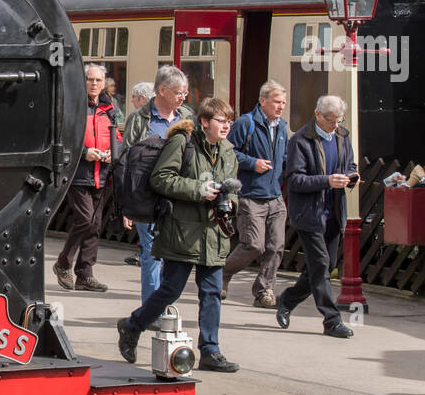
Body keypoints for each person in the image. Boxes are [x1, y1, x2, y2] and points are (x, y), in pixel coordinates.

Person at [116, 97, 240, 372]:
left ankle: (210, 350)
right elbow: (161, 178)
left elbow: (232, 189)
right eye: (221, 121)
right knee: (171, 289)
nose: (227, 126)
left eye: (230, 121)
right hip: (182, 229)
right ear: (205, 122)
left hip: (213, 232)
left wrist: (231, 203)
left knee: (211, 293)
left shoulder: (228, 151)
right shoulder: (182, 142)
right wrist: (198, 189)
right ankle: (132, 325)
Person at [275, 95, 357, 339]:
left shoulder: (343, 136)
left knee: (324, 266)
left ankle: (287, 300)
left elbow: (349, 164)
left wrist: (352, 177)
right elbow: (295, 179)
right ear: (318, 115)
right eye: (331, 120)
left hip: (334, 212)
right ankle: (332, 320)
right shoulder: (301, 140)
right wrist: (327, 181)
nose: (335, 125)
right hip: (309, 214)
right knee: (321, 265)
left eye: (339, 120)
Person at [121, 66, 193, 303]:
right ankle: (152, 309)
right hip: (148, 196)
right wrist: (127, 205)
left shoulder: (187, 117)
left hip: (179, 195)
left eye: (185, 93)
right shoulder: (139, 119)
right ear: (162, 90)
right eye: (178, 92)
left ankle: (162, 304)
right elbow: (126, 162)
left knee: (174, 255)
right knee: (152, 255)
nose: (183, 97)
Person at [53, 63, 123, 292]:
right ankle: (63, 263)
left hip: (101, 174)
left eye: (98, 80)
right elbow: (62, 136)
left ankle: (84, 273)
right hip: (78, 173)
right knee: (85, 218)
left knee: (94, 225)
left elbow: (118, 135)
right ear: (83, 82)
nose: (94, 84)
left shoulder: (111, 107)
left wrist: (114, 149)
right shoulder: (73, 104)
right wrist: (84, 153)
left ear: (104, 83)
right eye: (90, 80)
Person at [221, 80, 289, 308]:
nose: (281, 107)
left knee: (276, 246)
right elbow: (227, 152)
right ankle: (222, 274)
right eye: (277, 102)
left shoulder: (282, 127)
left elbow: (285, 158)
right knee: (253, 245)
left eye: (283, 103)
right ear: (263, 101)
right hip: (251, 195)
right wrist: (252, 163)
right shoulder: (246, 123)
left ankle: (264, 290)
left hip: (275, 196)